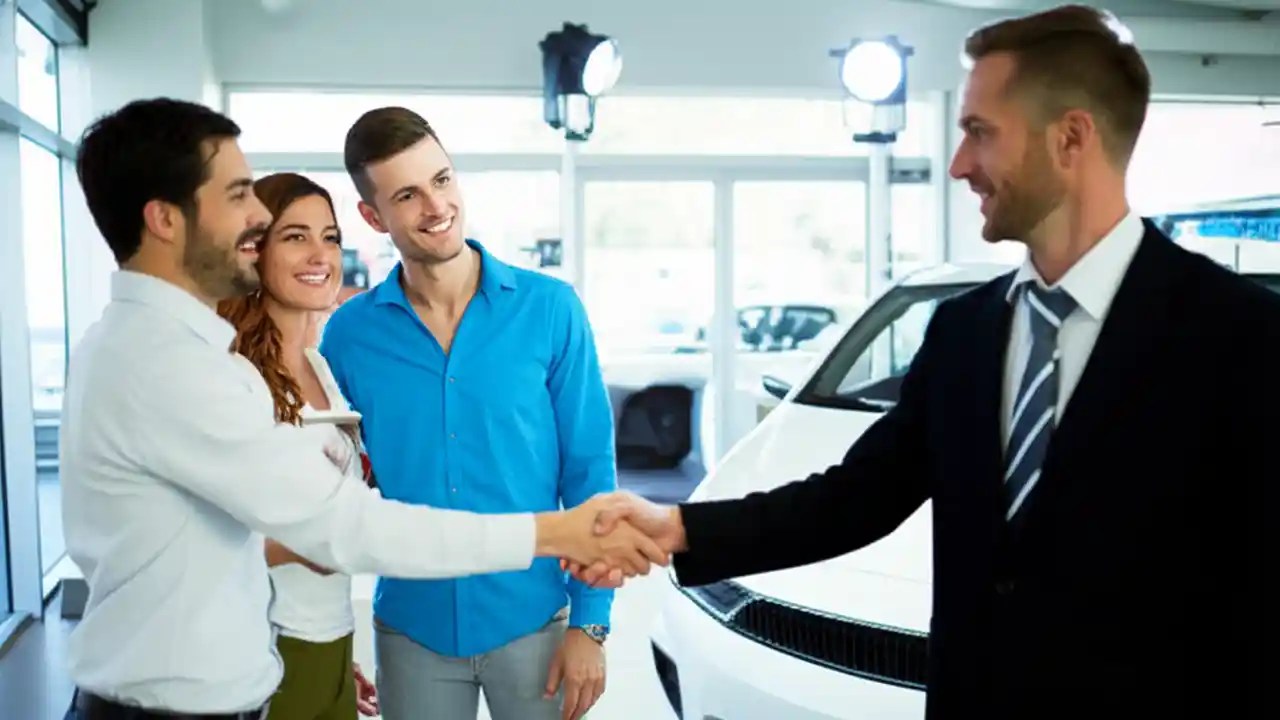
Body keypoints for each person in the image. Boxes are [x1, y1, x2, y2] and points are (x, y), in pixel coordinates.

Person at [571, 5, 1278, 719]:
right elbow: (855, 497)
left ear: (1071, 138)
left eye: (979, 132)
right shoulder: (964, 333)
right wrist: (679, 528)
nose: (958, 164)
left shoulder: (1240, 338)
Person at [60, 97, 666, 720]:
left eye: (441, 179)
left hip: (510, 619)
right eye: (239, 195)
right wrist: (554, 533)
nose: (256, 216)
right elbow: (337, 524)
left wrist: (588, 620)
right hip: (339, 650)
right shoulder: (189, 364)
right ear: (164, 218)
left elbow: (236, 531)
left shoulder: (220, 355)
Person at [318, 106, 616, 720]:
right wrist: (329, 645)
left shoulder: (551, 310)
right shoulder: (347, 337)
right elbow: (329, 495)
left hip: (533, 621)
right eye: (408, 195)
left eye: (443, 180)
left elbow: (589, 473)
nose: (435, 207)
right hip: (410, 630)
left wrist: (591, 623)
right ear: (374, 216)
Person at [216, 172, 380, 719]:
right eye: (295, 236)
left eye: (330, 236)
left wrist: (339, 661)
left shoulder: (320, 366)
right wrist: (307, 544)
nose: (320, 254)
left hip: (327, 641)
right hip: (261, 646)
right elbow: (194, 531)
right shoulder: (229, 374)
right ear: (253, 251)